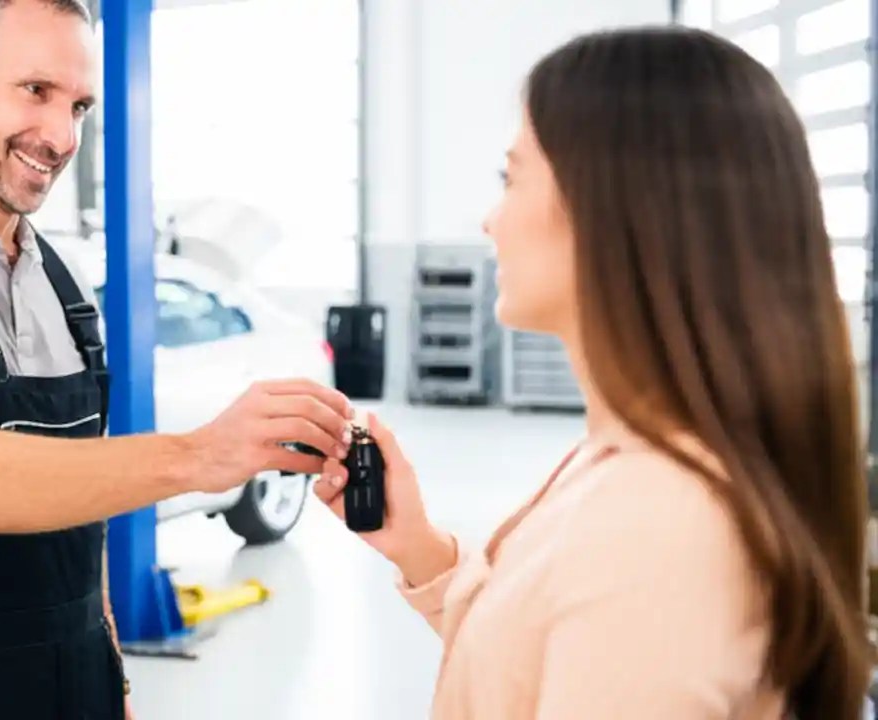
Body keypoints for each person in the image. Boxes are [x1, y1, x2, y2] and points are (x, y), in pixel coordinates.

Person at [0, 1, 353, 718]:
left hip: (78, 669)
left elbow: (80, 497)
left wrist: (108, 661)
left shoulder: (63, 279)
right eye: (35, 91)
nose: (60, 135)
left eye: (80, 105)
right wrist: (202, 455)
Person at [315, 26, 871, 720]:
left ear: (614, 208)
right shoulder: (641, 462)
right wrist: (419, 548)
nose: (490, 221)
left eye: (510, 179)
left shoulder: (657, 531)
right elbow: (529, 658)